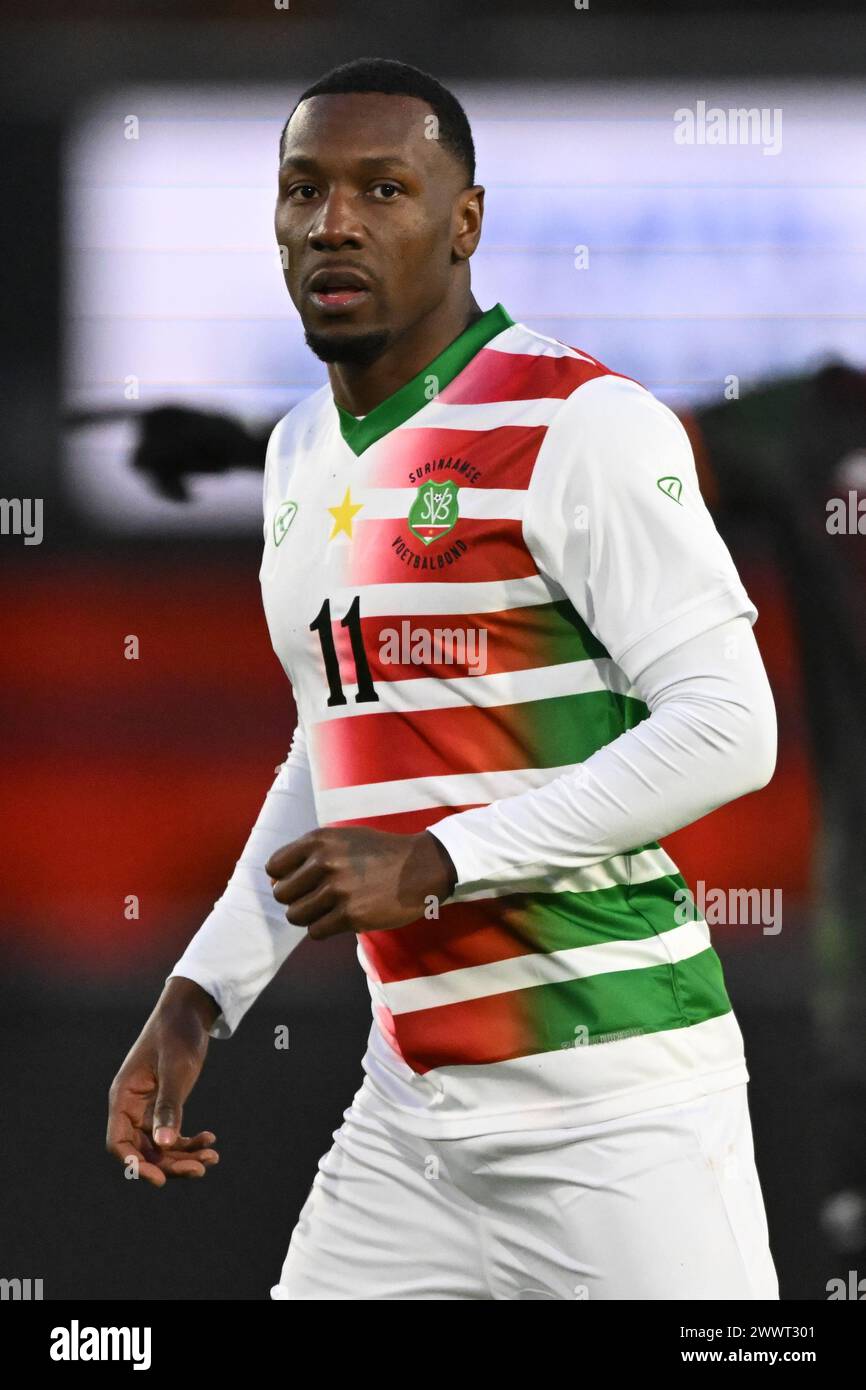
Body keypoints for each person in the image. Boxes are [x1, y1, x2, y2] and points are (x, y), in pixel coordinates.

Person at [107, 57, 780, 1301]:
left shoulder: (580, 420)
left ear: (463, 221)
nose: (333, 222)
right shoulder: (299, 451)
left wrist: (437, 859)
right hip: (408, 1129)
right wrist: (202, 990)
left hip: (619, 1113)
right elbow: (333, 740)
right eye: (302, 190)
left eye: (383, 188)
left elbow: (731, 727)